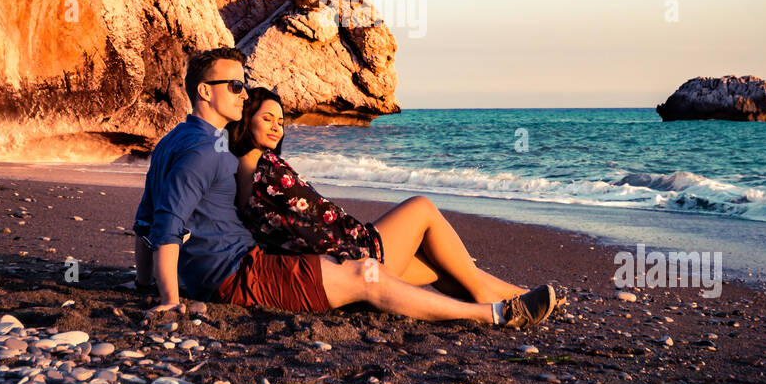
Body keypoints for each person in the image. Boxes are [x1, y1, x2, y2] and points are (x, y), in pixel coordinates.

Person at [131, 48, 559, 327]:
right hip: (236, 273)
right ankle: (492, 313)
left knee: (422, 265)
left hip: (231, 268)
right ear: (205, 92)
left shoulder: (174, 141)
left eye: (246, 86)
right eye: (236, 86)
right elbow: (166, 224)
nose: (244, 94)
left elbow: (144, 219)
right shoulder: (208, 151)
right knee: (370, 273)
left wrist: (146, 281)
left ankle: (518, 299)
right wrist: (169, 298)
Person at [228, 86, 536, 306]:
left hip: (333, 258)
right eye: (267, 118)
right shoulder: (266, 166)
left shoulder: (238, 170)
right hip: (352, 252)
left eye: (281, 122)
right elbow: (312, 220)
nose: (277, 128)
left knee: (439, 265)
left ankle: (520, 295)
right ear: (247, 118)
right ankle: (486, 298)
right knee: (422, 207)